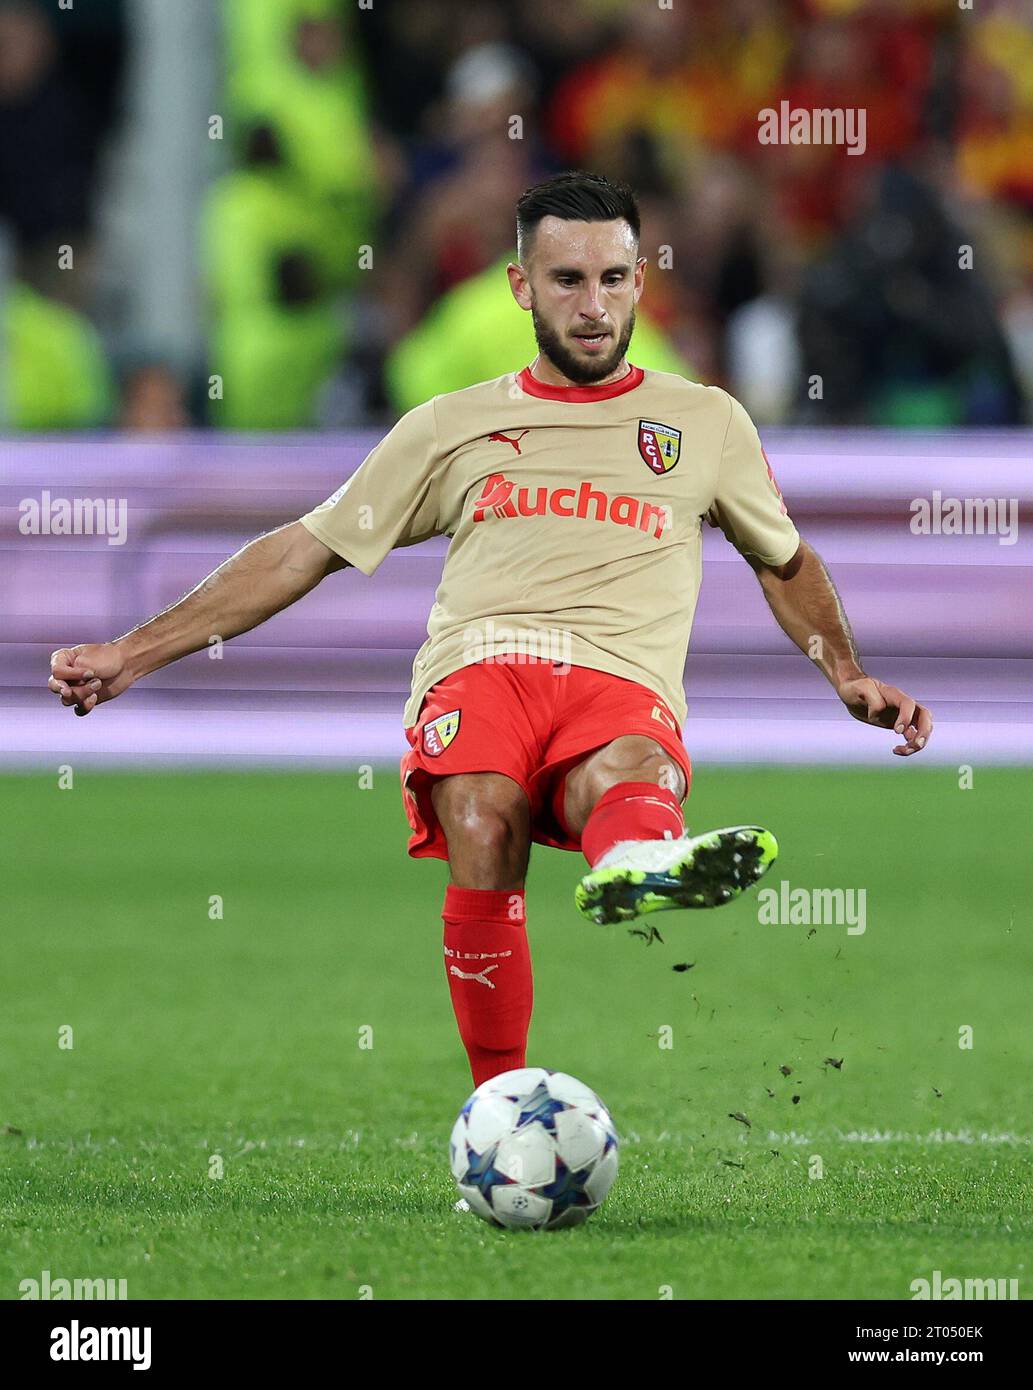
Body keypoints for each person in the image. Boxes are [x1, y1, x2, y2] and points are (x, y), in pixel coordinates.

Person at [48, 171, 933, 1089]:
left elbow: (782, 559)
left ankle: (641, 862)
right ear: (521, 286)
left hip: (620, 679)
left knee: (628, 769)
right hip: (483, 668)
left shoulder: (704, 421)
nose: (593, 306)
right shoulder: (451, 425)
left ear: (640, 279)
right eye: (567, 280)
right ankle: (502, 1101)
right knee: (481, 813)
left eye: (613, 279)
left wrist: (845, 673)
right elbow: (304, 550)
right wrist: (133, 652)